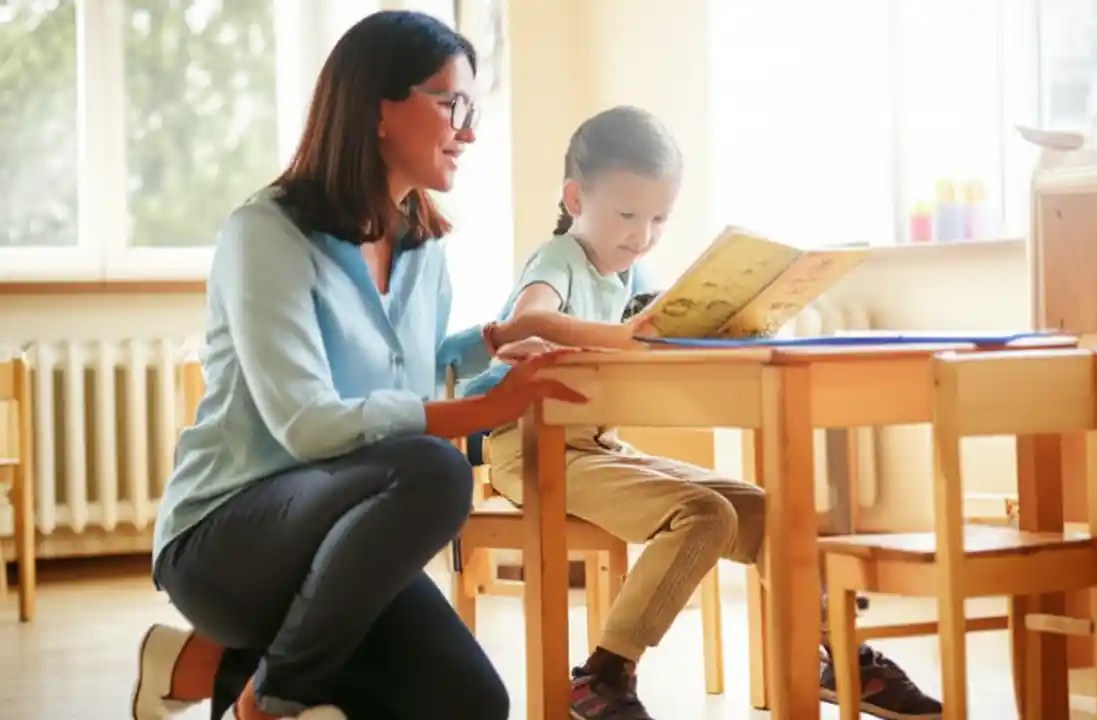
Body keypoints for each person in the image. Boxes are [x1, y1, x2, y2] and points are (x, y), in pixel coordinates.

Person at [130, 11, 587, 720]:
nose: (468, 130)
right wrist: (474, 413)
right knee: (433, 468)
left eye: (473, 108)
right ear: (378, 107)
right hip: (228, 539)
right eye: (451, 104)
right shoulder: (268, 233)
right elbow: (309, 425)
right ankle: (270, 702)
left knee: (472, 703)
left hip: (340, 539)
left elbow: (407, 382)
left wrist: (497, 347)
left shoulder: (423, 249)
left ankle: (209, 667)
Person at [462, 105, 944, 719]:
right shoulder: (560, 257)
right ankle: (602, 676)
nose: (642, 234)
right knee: (703, 514)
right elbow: (525, 321)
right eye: (628, 215)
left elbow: (656, 337)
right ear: (576, 198)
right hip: (529, 448)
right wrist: (633, 332)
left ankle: (836, 656)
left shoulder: (638, 272)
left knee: (772, 511)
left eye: (660, 218)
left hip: (597, 447)